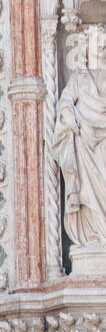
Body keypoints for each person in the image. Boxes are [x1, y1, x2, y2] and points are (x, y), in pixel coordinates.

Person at [52, 30, 106, 247]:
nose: (101, 48)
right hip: (84, 145)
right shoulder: (78, 77)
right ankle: (94, 235)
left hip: (102, 143)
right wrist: (69, 115)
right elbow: (65, 101)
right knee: (89, 191)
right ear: (87, 47)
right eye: (98, 43)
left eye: (103, 44)